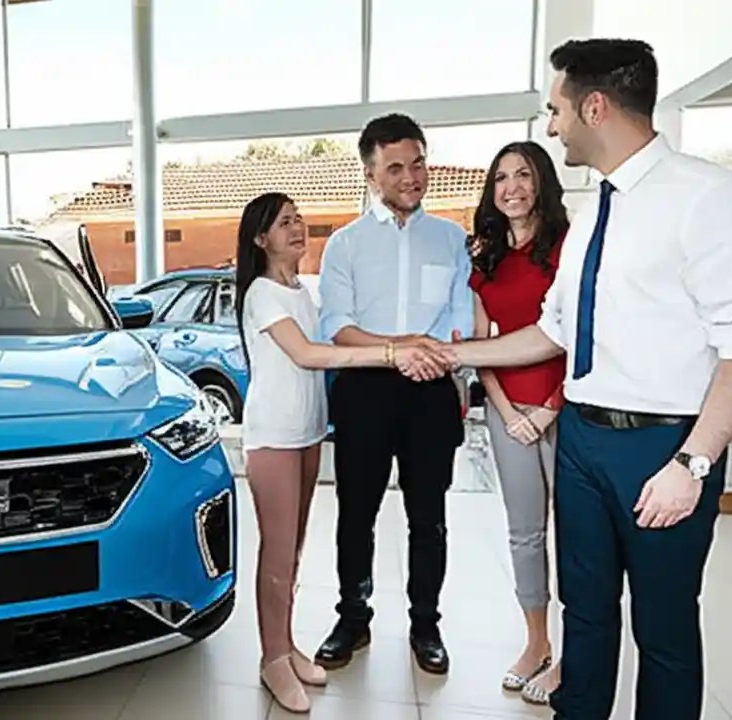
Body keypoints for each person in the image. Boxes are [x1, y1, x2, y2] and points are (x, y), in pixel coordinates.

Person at [441, 39, 732, 720]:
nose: (550, 125)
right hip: (581, 441)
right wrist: (453, 356)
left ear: (593, 106)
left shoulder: (711, 197)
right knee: (587, 616)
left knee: (662, 632)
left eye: (555, 108)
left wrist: (694, 461)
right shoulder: (595, 209)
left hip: (662, 449)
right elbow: (556, 331)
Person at [234, 192, 446, 713]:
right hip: (274, 437)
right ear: (261, 239)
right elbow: (310, 355)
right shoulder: (261, 293)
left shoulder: (302, 292)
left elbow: (330, 338)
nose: (297, 228)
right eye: (284, 222)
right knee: (278, 554)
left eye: (298, 219)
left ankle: (286, 647)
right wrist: (392, 353)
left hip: (307, 433)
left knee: (296, 551)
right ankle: (271, 661)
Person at [314, 113, 474, 675]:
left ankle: (425, 623)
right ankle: (352, 618)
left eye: (419, 162)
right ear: (371, 174)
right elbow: (338, 325)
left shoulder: (453, 239)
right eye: (396, 167)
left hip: (431, 392)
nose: (412, 176)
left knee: (427, 517)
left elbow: (459, 324)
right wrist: (402, 346)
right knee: (356, 513)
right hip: (365, 390)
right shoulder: (345, 244)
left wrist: (430, 353)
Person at [467, 140, 570, 705]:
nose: (512, 187)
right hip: (509, 417)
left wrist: (551, 407)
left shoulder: (566, 248)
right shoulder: (483, 261)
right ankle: (537, 643)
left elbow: (581, 335)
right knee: (525, 535)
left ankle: (575, 652)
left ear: (541, 183)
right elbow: (483, 350)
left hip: (567, 408)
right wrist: (509, 415)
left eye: (523, 175)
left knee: (577, 535)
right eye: (502, 177)